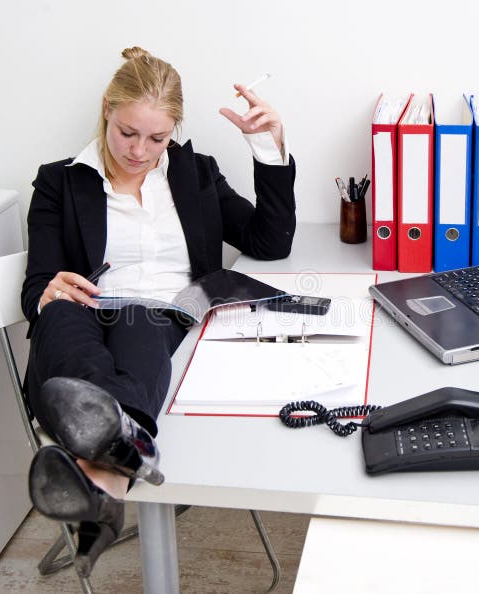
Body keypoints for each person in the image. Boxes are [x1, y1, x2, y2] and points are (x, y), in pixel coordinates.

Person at [20, 46, 296, 576]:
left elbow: (271, 240)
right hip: (81, 313)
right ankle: (116, 471)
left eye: (157, 138)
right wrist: (46, 291)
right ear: (107, 108)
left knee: (141, 327)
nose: (140, 150)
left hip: (159, 316)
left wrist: (267, 145)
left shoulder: (195, 175)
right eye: (128, 133)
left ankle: (99, 482)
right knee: (56, 314)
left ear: (173, 132)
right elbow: (36, 285)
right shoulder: (59, 180)